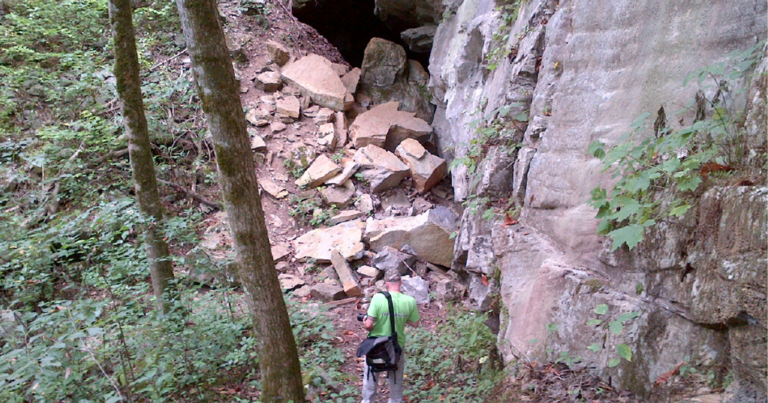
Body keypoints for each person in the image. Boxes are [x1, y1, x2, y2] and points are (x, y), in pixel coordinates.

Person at [361, 268, 420, 403]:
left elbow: (369, 325)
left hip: (376, 345)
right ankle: (396, 400)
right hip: (396, 345)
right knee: (396, 376)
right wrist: (401, 317)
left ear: (387, 283)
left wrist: (365, 321)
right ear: (401, 282)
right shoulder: (409, 301)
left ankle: (368, 400)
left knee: (371, 375)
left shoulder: (378, 298)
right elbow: (415, 323)